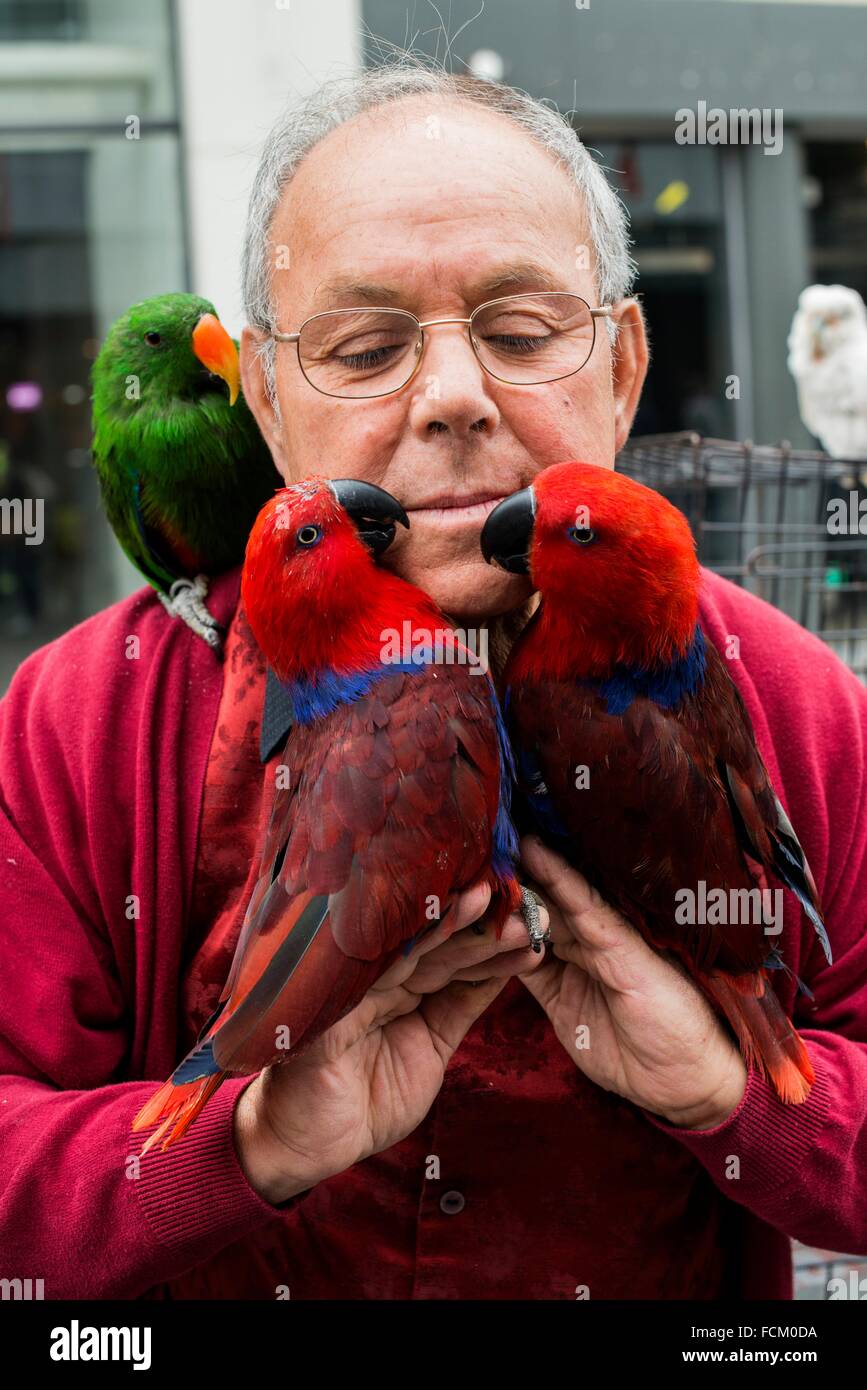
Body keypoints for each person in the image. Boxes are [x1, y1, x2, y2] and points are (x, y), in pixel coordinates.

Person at [1, 59, 865, 1301]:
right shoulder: (81, 725)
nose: (454, 399)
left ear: (622, 370)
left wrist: (741, 1100)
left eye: (522, 334)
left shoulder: (794, 705)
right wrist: (247, 1142)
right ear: (267, 402)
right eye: (363, 346)